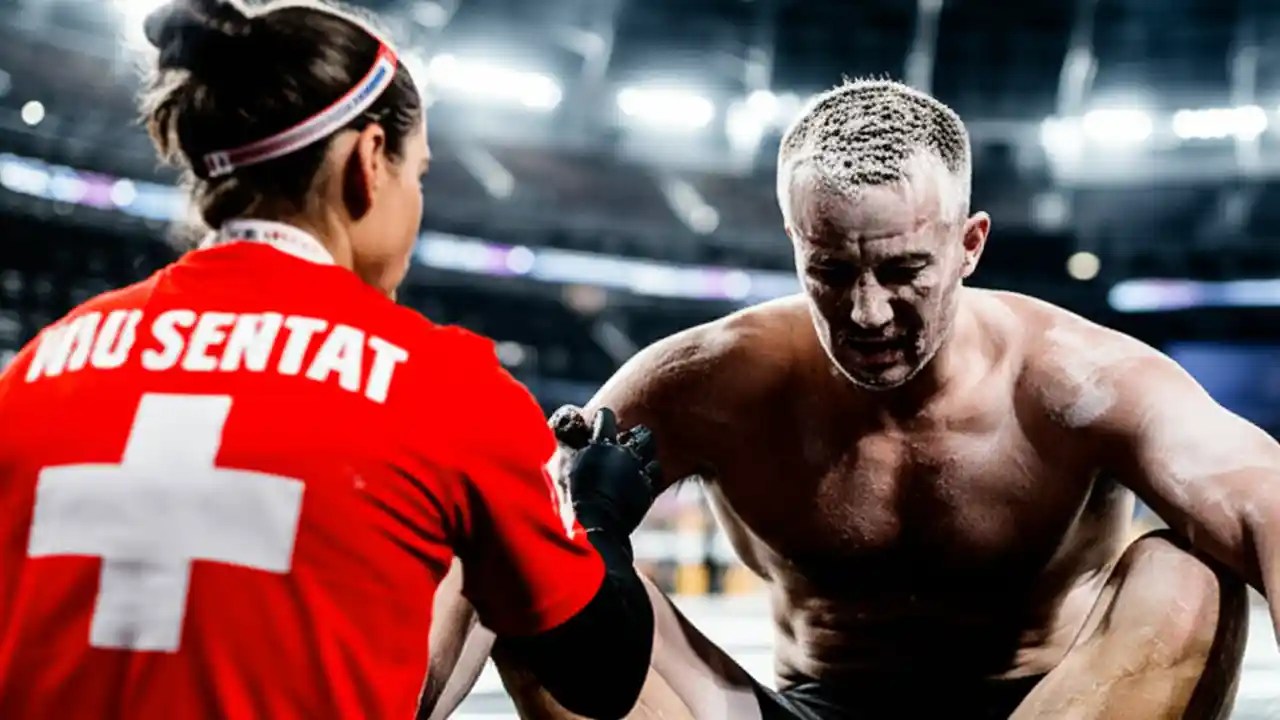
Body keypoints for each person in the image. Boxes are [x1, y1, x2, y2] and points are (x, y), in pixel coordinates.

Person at [424, 79, 1280, 720]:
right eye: (832, 272)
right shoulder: (709, 379)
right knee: (538, 559)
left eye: (905, 270)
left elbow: (1263, 501)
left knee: (1192, 573)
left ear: (969, 243)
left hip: (1049, 704)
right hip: (799, 706)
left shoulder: (1079, 378)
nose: (868, 313)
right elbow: (502, 526)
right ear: (795, 245)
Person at [0, 1, 661, 719]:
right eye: (419, 176)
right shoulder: (443, 383)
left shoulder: (40, 364)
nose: (416, 205)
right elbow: (603, 672)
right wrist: (593, 505)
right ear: (369, 161)